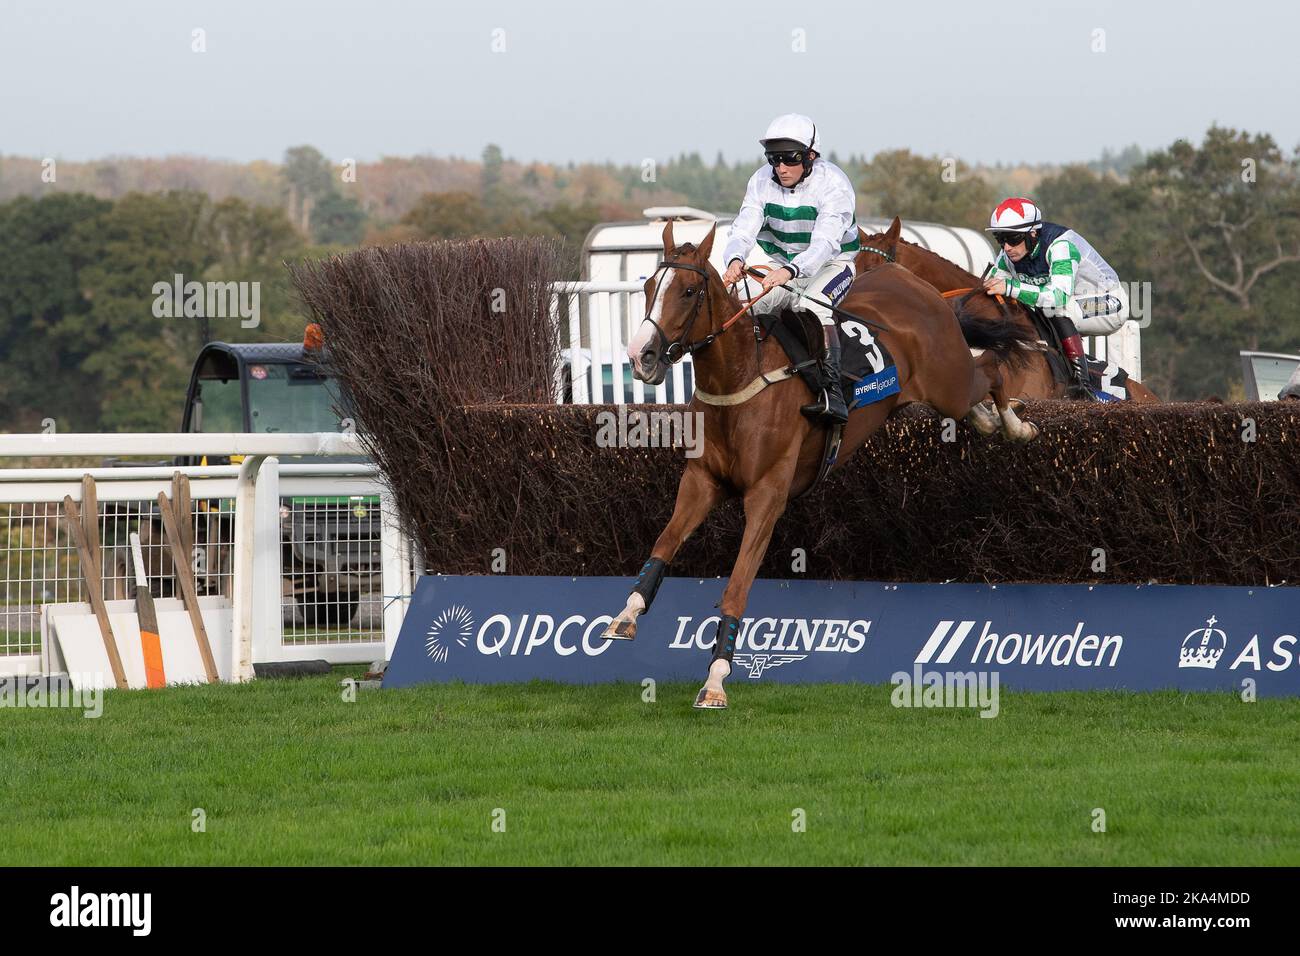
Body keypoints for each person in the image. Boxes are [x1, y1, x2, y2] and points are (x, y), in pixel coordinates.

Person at [721, 114, 860, 424]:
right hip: (783, 263)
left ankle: (832, 394)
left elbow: (823, 245)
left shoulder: (834, 185)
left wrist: (790, 272)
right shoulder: (760, 181)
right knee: (740, 305)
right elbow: (742, 230)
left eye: (789, 158)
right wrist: (733, 260)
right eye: (773, 158)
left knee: (809, 305)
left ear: (811, 156)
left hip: (832, 263)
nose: (780, 167)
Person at [982, 197, 1130, 398]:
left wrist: (1010, 286)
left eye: (1013, 239)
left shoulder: (1061, 246)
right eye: (1000, 239)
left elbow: (1058, 297)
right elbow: (991, 288)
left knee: (1056, 308)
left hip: (1109, 302)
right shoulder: (1007, 256)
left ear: (1033, 234)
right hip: (1070, 303)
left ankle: (1082, 386)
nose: (1006, 247)